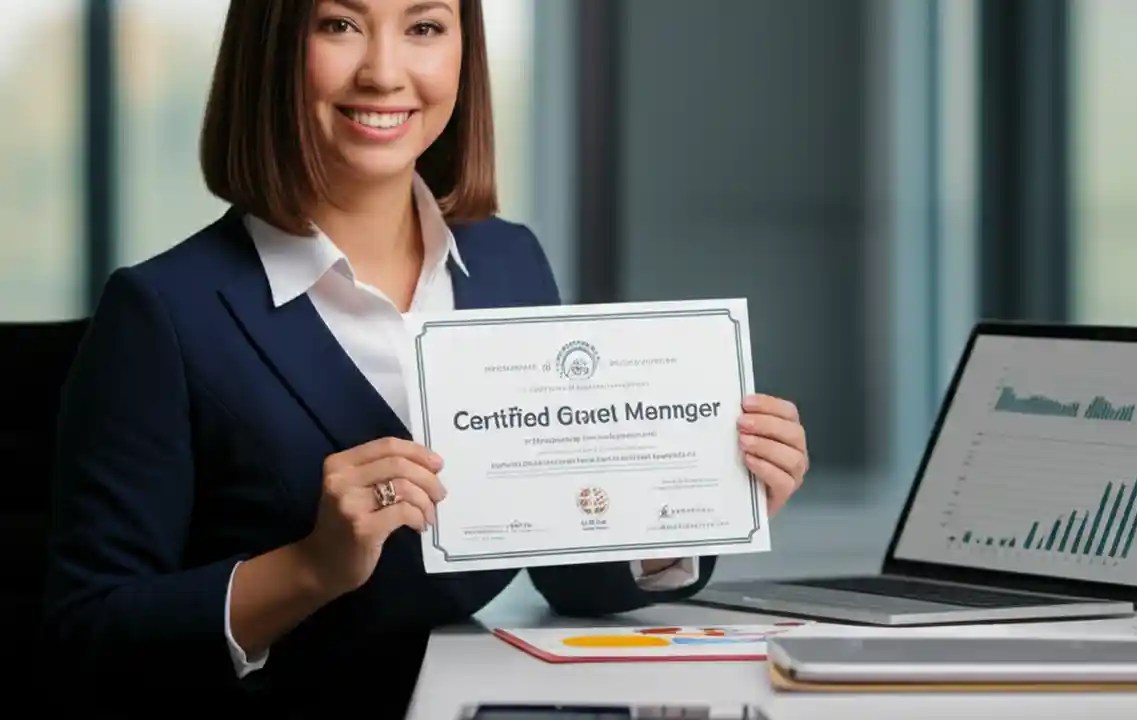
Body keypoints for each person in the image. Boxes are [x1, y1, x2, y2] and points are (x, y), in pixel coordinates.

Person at [41, 0, 810, 716]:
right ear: (271, 45)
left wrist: (697, 507)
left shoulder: (508, 263)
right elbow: (86, 636)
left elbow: (571, 568)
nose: (384, 72)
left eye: (425, 27)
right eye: (339, 25)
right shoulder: (163, 312)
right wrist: (311, 567)